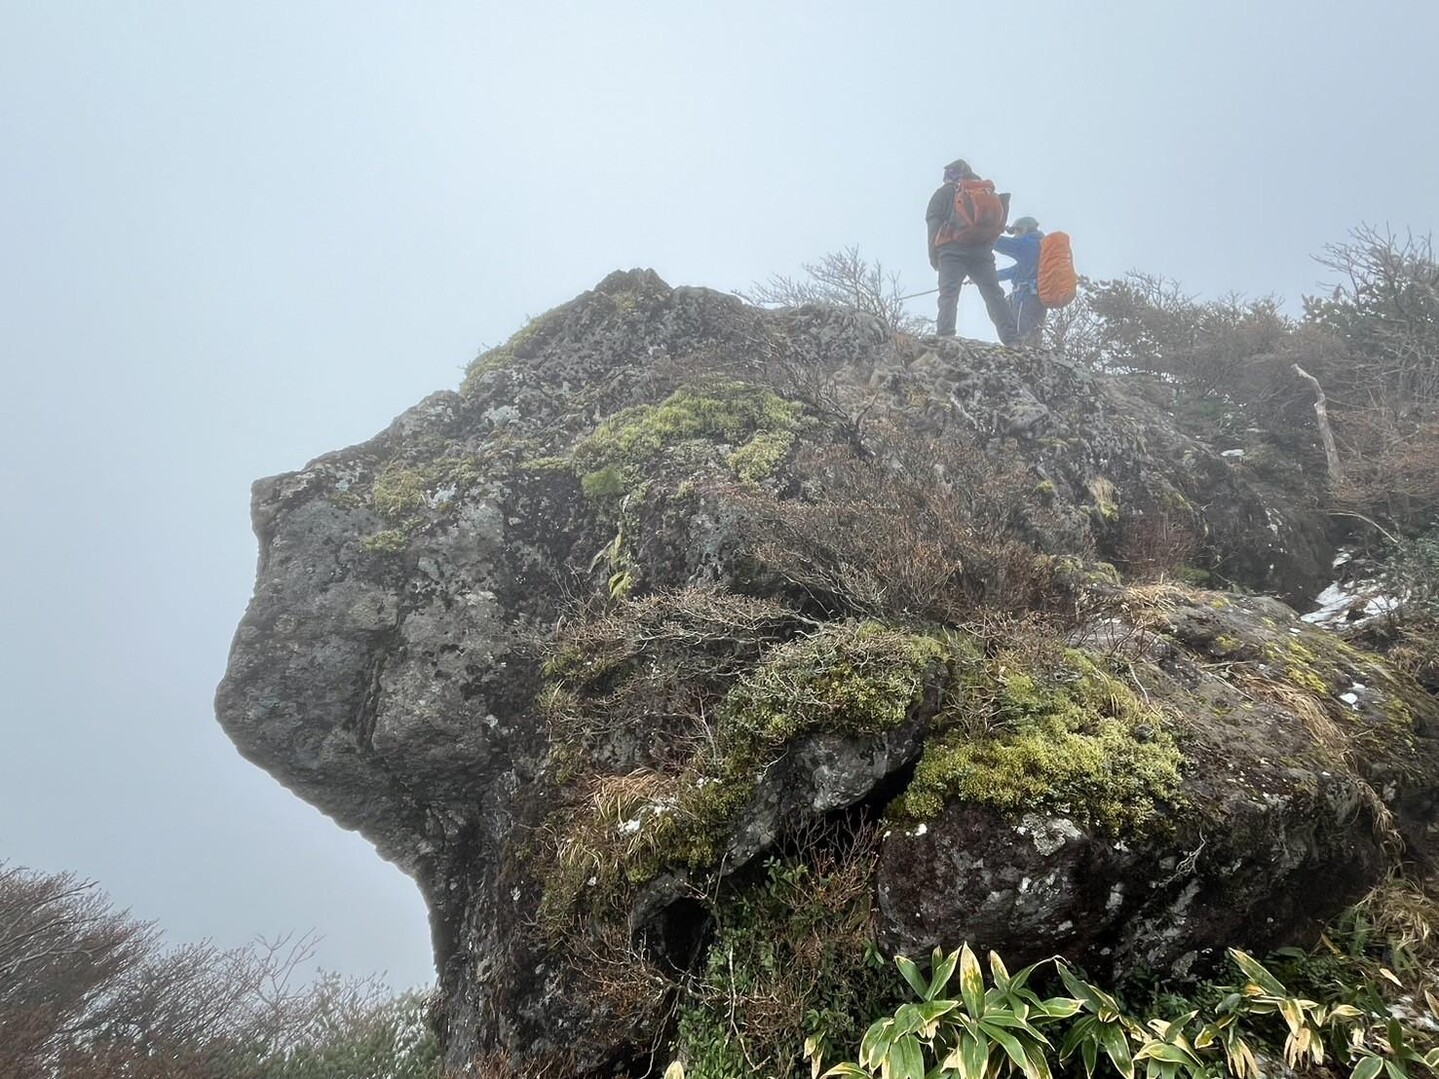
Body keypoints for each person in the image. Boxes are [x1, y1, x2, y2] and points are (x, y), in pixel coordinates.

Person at [925, 159, 1018, 344]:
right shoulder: (984, 192)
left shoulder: (943, 194)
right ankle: (1012, 339)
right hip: (981, 252)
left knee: (949, 294)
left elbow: (933, 225)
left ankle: (945, 336)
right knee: (994, 294)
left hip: (951, 251)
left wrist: (934, 257)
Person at [995, 216, 1046, 346]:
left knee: (1021, 334)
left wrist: (988, 232)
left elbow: (1002, 244)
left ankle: (1021, 355)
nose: (1015, 236)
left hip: (1026, 297)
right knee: (1034, 332)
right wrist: (984, 277)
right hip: (1039, 297)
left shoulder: (1028, 243)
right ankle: (1033, 356)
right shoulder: (1038, 246)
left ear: (1023, 229)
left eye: (1016, 231)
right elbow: (1013, 271)